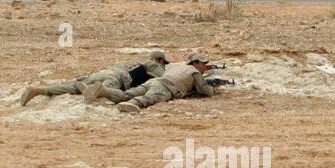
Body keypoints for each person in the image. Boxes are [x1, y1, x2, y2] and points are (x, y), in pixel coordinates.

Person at [18, 51, 168, 106]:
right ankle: (98, 91)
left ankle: (39, 90)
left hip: (103, 72)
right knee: (113, 94)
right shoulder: (153, 65)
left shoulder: (136, 62)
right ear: (160, 60)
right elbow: (166, 79)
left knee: (73, 87)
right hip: (117, 78)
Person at [85, 52, 219, 113]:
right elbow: (204, 90)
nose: (204, 67)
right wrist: (214, 90)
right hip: (165, 87)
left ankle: (104, 91)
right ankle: (131, 104)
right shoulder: (194, 71)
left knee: (127, 93)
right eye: (203, 64)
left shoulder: (176, 67)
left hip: (154, 82)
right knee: (148, 99)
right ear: (195, 63)